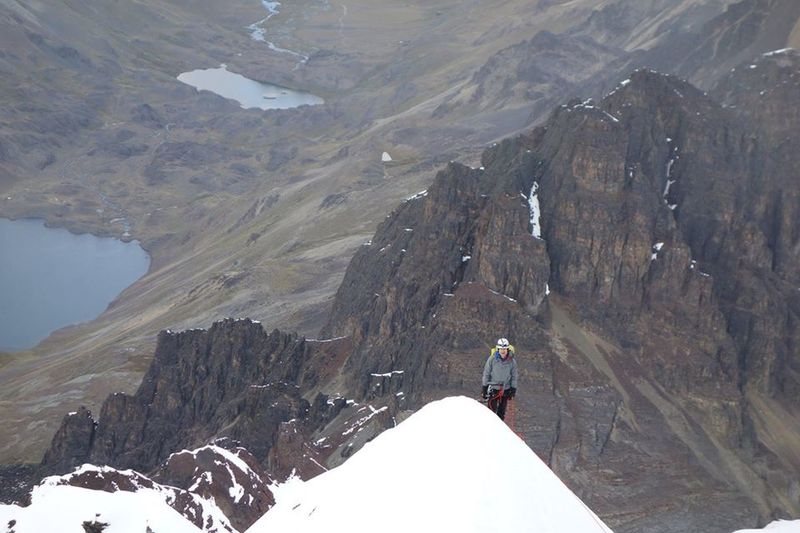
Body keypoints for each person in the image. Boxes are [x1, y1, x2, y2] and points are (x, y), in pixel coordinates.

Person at [481, 337, 517, 420]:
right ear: (498, 349)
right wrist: (484, 387)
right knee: (491, 413)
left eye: (504, 349)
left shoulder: (512, 362)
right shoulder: (492, 359)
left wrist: (513, 389)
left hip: (505, 389)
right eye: (501, 349)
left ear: (507, 349)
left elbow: (514, 376)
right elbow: (486, 373)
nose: (503, 351)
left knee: (501, 413)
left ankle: (499, 430)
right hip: (493, 388)